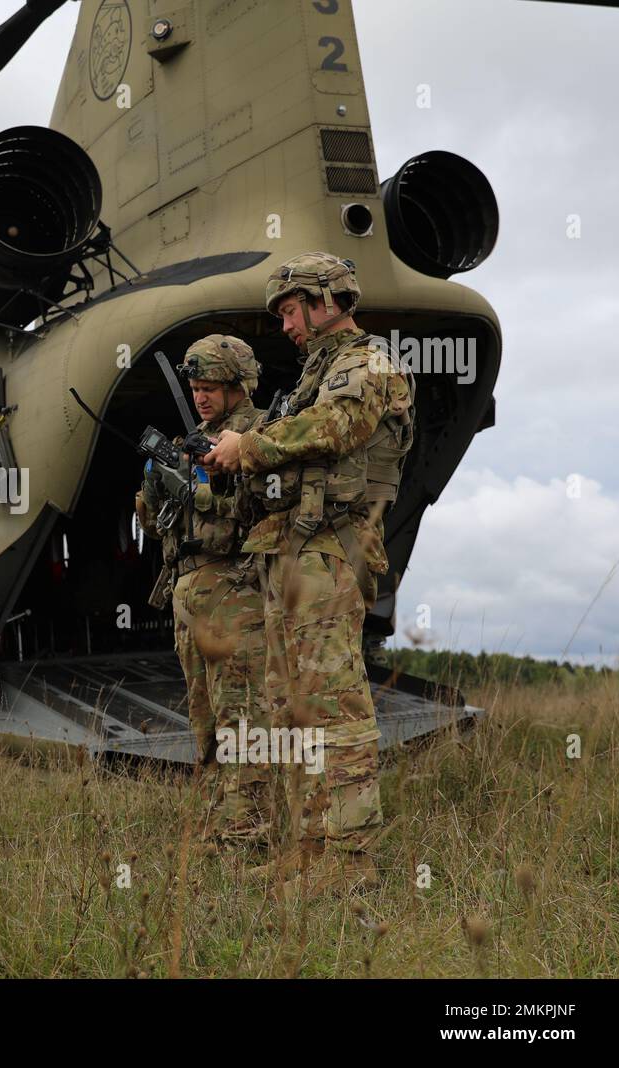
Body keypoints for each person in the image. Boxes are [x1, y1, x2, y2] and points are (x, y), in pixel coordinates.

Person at [201, 253, 414, 893]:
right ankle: (312, 846)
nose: (288, 326)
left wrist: (252, 446)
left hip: (330, 553)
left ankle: (350, 864)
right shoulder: (311, 379)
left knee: (335, 707)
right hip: (292, 553)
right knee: (292, 712)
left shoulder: (366, 364)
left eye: (291, 311)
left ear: (326, 301)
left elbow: (337, 426)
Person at [138, 336, 271, 852]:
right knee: (205, 713)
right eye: (195, 388)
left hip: (234, 587)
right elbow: (156, 526)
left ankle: (251, 828)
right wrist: (153, 489)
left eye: (210, 388)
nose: (201, 398)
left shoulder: (257, 435)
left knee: (241, 709)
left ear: (238, 385)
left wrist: (192, 486)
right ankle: (221, 821)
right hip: (189, 588)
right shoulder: (195, 438)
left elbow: (255, 507)